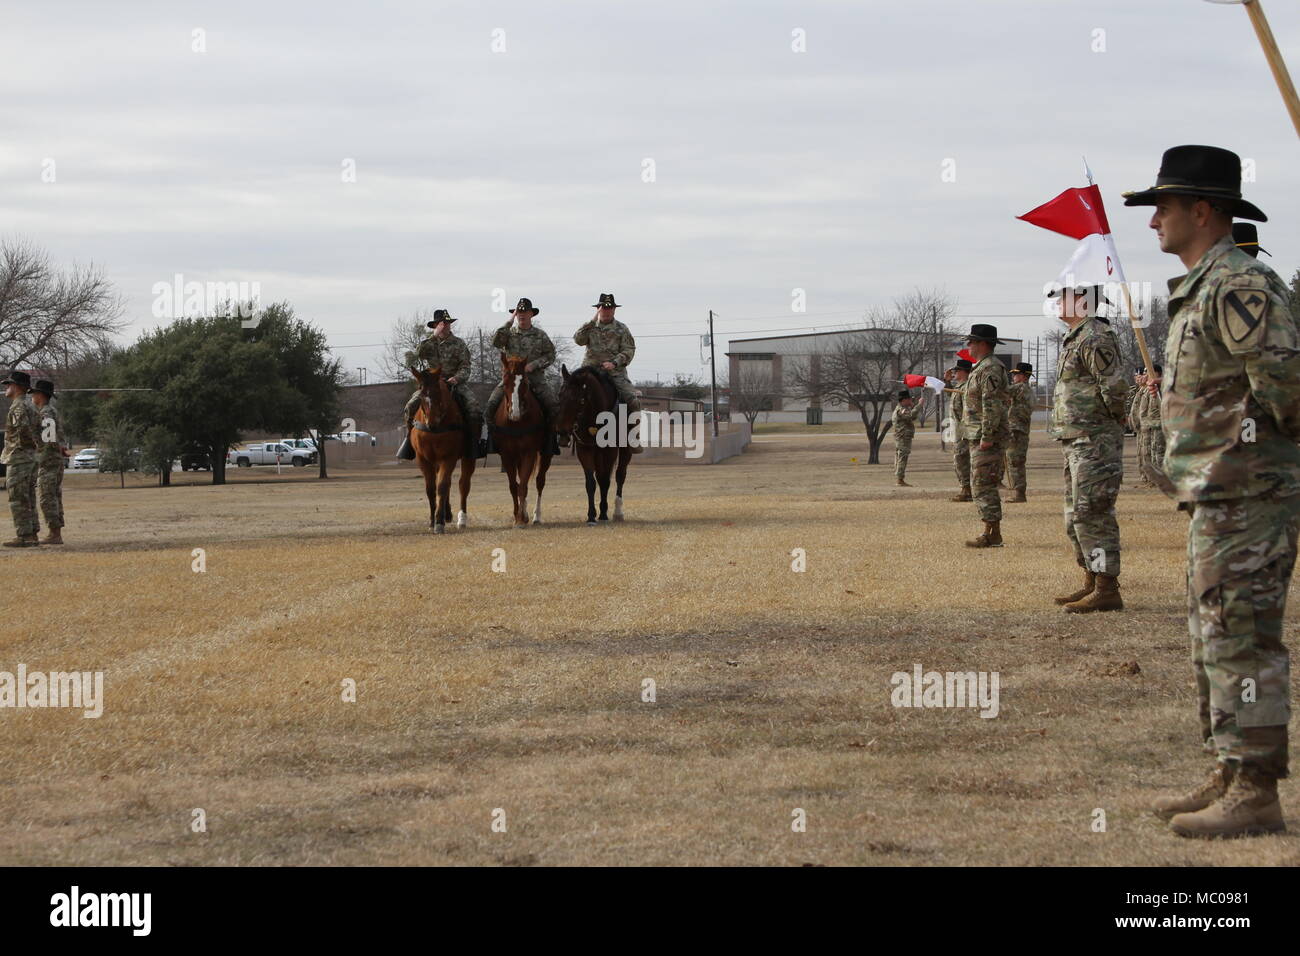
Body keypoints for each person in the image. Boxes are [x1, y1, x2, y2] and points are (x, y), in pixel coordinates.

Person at [1126, 144, 1300, 838]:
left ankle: (1256, 789)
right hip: (1217, 497)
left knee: (1244, 641)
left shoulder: (1240, 285)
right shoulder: (1205, 285)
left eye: (1162, 207)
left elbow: (1288, 386)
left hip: (1251, 498)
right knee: (1213, 637)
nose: (1153, 222)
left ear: (1202, 211)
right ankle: (1231, 767)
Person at [1047, 285, 1129, 612]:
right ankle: (1092, 580)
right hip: (1077, 437)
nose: (1057, 302)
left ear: (1082, 300)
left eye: (1063, 295)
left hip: (1094, 439)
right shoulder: (1076, 337)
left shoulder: (1095, 337)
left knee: (1092, 511)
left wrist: (1108, 424)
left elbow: (1114, 387)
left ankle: (1107, 587)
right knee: (1075, 515)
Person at [397, 309, 484, 461]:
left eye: (447, 323)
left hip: (454, 383)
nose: (445, 326)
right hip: (431, 385)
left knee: (474, 408)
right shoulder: (429, 343)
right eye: (441, 323)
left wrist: (457, 378)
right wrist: (434, 336)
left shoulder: (459, 344)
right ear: (435, 325)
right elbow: (418, 354)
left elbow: (466, 366)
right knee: (410, 406)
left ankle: (473, 444)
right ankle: (410, 442)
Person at [486, 298, 564, 455]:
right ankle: (492, 442)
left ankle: (549, 442)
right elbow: (495, 341)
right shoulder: (508, 334)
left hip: (534, 378)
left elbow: (550, 355)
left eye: (525, 312)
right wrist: (509, 321)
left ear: (531, 314)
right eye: (518, 312)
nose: (522, 315)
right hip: (511, 380)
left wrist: (533, 365)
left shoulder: (540, 335)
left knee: (553, 406)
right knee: (490, 406)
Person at [960, 325, 1010, 548]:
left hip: (986, 436)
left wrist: (987, 435)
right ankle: (990, 530)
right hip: (976, 433)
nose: (968, 346)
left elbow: (992, 405)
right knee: (979, 482)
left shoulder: (990, 369)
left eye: (971, 342)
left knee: (983, 483)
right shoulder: (980, 368)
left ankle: (992, 533)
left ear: (982, 343)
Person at [574, 293, 642, 453]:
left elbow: (629, 350)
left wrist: (614, 363)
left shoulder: (621, 328)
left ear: (614, 310)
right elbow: (578, 340)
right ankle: (564, 433)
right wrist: (591, 321)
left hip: (615, 373)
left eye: (609, 308)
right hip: (589, 371)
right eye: (603, 308)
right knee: (568, 394)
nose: (606, 310)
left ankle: (633, 436)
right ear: (598, 309)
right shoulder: (590, 327)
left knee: (632, 400)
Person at [0, 370, 40, 548]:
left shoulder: (18, 406)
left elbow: (23, 431)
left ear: (17, 387)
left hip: (19, 457)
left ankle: (24, 535)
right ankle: (32, 533)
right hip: (30, 457)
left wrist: (22, 447)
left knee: (18, 497)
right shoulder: (31, 405)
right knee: (28, 497)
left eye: (8, 384)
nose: (6, 388)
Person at [30, 379, 66, 545]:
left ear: (40, 395)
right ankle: (55, 531)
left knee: (47, 496)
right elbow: (57, 436)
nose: (32, 397)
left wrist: (44, 452)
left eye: (34, 394)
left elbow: (49, 438)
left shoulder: (45, 413)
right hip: (53, 459)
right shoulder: (52, 411)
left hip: (48, 460)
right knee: (54, 496)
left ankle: (54, 533)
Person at [1004, 362, 1033, 502]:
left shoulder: (1020, 387)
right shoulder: (1026, 390)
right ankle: (1018, 492)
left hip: (1016, 430)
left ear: (1024, 376)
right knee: (1017, 462)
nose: (1014, 377)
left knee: (1014, 462)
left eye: (1016, 374)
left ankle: (1018, 493)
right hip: (1020, 430)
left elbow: (1002, 391)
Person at [947, 359, 973, 502]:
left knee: (962, 460)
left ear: (964, 372)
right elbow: (951, 398)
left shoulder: (967, 388)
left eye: (956, 371)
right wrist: (946, 383)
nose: (954, 373)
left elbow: (968, 411)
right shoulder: (959, 387)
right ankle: (965, 488)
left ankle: (967, 489)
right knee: (959, 460)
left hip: (964, 431)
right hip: (957, 430)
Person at [890, 389, 926, 487]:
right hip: (903, 438)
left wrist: (914, 406)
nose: (910, 400)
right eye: (909, 399)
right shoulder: (901, 410)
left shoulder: (902, 409)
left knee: (900, 457)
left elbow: (911, 417)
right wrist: (919, 405)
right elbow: (910, 415)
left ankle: (899, 477)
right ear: (904, 400)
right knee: (902, 457)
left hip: (902, 437)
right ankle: (899, 479)